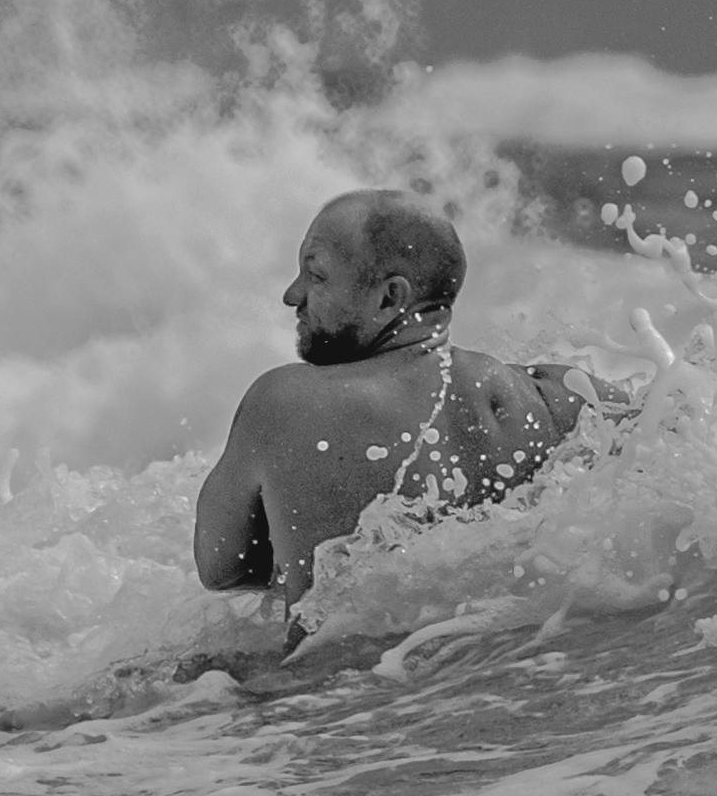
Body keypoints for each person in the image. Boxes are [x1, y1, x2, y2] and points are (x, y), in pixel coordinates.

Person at [191, 190, 590, 610]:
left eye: (317, 277)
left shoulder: (284, 403)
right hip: (495, 661)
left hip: (340, 672)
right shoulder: (556, 400)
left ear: (391, 297)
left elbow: (221, 568)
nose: (293, 295)